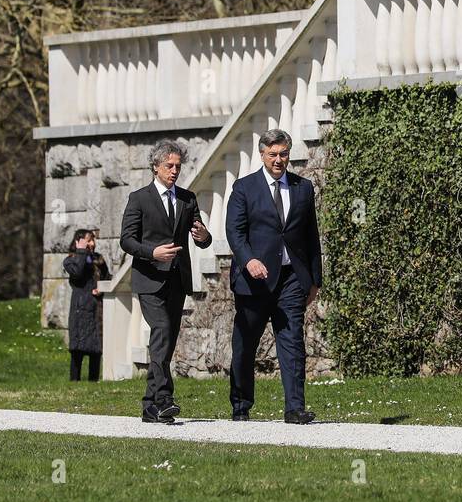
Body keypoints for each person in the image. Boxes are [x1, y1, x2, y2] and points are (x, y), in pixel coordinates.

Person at [225, 129, 322, 424]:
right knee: (245, 345)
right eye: (273, 154)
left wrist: (315, 280)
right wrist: (248, 260)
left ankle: (295, 408)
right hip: (254, 280)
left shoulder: (302, 188)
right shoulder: (244, 188)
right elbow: (234, 232)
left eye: (283, 154)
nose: (278, 160)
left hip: (291, 279)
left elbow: (310, 235)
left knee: (292, 342)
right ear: (262, 154)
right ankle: (241, 404)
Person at [118, 140, 211, 423]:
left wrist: (204, 237)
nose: (174, 171)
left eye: (178, 167)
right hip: (149, 279)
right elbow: (127, 240)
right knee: (161, 330)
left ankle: (150, 406)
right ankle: (165, 398)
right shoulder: (139, 198)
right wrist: (152, 252)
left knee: (166, 341)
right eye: (169, 166)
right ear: (156, 167)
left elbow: (202, 237)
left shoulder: (187, 198)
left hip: (177, 280)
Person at [63, 229, 109, 381]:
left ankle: (93, 381)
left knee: (96, 348)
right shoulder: (71, 259)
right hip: (80, 308)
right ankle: (74, 380)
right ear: (78, 241)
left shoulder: (99, 259)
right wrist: (81, 251)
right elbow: (77, 272)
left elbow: (107, 278)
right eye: (88, 240)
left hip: (96, 308)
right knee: (78, 348)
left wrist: (101, 290)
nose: (92, 244)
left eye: (93, 240)